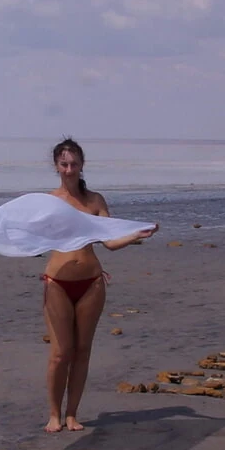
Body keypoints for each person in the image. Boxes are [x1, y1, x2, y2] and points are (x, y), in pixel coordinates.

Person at [41, 138, 154, 432]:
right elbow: (35, 237)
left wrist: (136, 235)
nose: (69, 169)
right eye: (63, 164)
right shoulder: (49, 201)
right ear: (56, 166)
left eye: (73, 164)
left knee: (82, 350)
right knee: (59, 353)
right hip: (57, 283)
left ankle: (72, 414)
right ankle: (54, 413)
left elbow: (111, 241)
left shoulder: (95, 200)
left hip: (91, 282)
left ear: (82, 165)